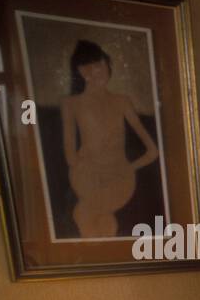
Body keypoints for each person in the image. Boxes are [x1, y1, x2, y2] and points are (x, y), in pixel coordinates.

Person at [60, 39, 159, 237]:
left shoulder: (121, 101)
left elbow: (153, 151)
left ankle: (96, 229)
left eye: (102, 65)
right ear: (81, 72)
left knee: (97, 217)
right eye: (91, 68)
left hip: (120, 179)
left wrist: (127, 168)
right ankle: (90, 229)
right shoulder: (71, 103)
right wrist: (89, 170)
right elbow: (70, 155)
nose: (99, 72)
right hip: (87, 176)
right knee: (92, 217)